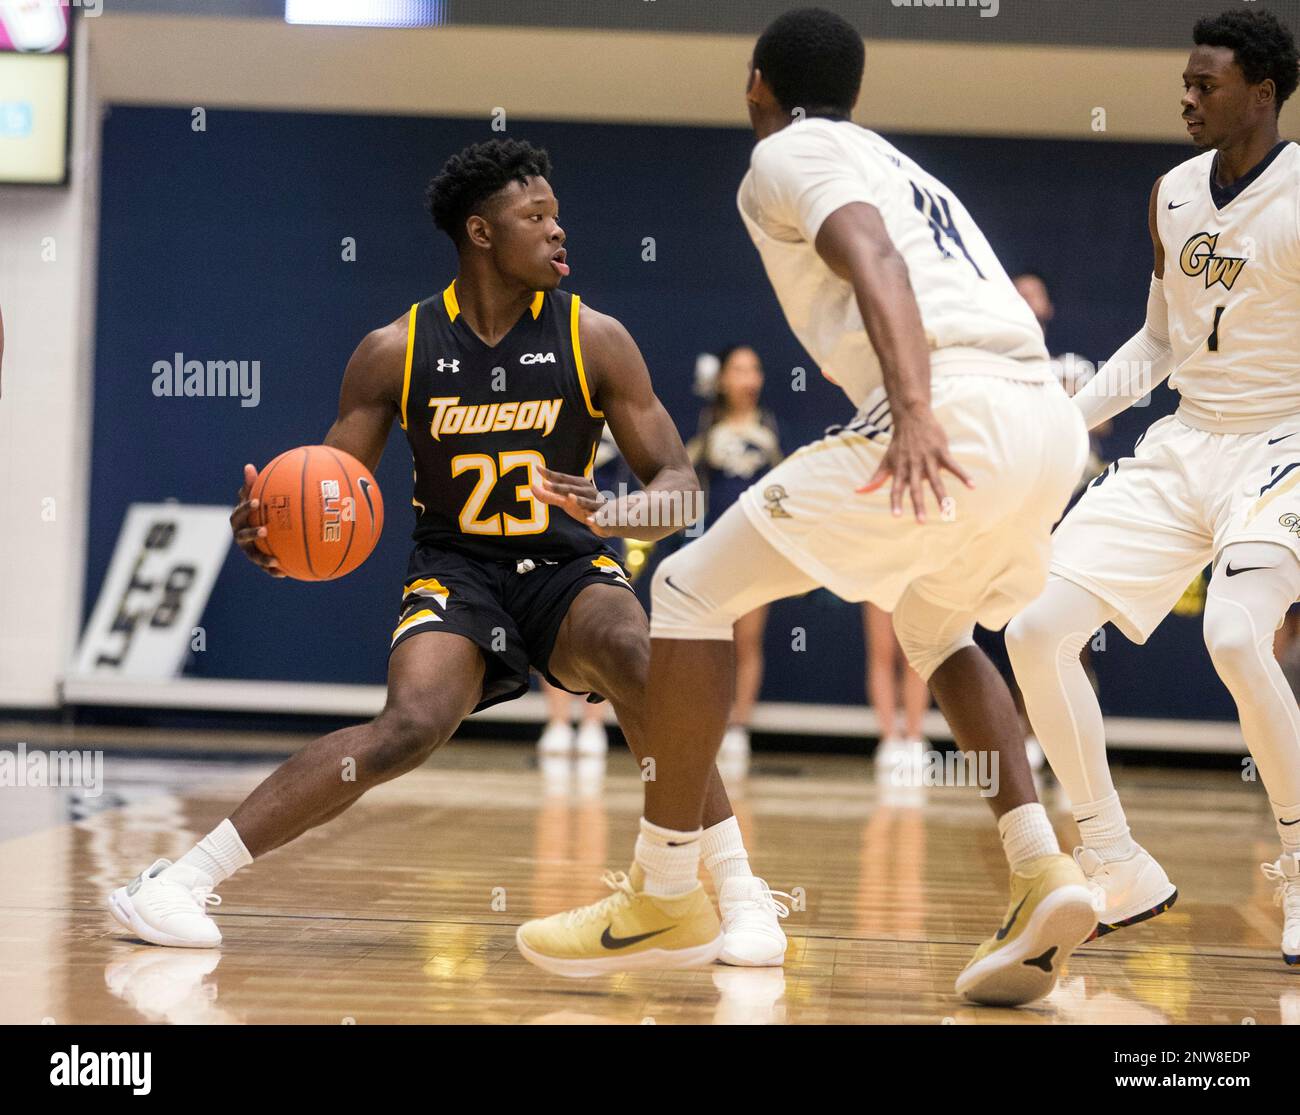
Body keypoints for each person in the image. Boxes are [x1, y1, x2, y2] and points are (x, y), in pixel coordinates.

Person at [516, 8, 1097, 1006]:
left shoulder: (785, 153)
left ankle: (662, 888)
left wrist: (912, 409)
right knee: (933, 622)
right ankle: (1041, 862)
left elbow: (868, 252)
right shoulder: (899, 162)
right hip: (1045, 423)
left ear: (755, 84)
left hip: (948, 408)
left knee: (692, 588)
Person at [107, 139, 785, 967]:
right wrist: (271, 533)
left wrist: (615, 511)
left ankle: (744, 900)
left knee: (638, 654)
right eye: (535, 217)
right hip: (455, 570)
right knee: (411, 725)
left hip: (566, 567)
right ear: (481, 232)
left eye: (558, 215)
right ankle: (177, 881)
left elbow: (682, 485)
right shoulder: (395, 349)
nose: (558, 231)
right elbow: (330, 491)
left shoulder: (595, 338)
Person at [1007, 9, 1300, 966]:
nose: (1185, 96)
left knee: (1233, 634)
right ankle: (1113, 856)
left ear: (1261, 94)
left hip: (1282, 443)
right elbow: (1160, 345)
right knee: (1035, 627)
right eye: (1184, 80)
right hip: (1186, 443)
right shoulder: (1171, 193)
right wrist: (1067, 418)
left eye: (1204, 84)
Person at [688, 344, 782, 761]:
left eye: (754, 369)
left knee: (747, 638)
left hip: (756, 546)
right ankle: (710, 722)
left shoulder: (770, 429)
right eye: (739, 370)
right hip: (715, 546)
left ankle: (739, 726)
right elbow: (689, 485)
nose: (748, 378)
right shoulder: (708, 429)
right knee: (714, 640)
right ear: (722, 380)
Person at [864, 603, 930, 773]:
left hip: (916, 579)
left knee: (915, 654)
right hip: (879, 577)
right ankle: (889, 740)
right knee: (882, 650)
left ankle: (914, 738)